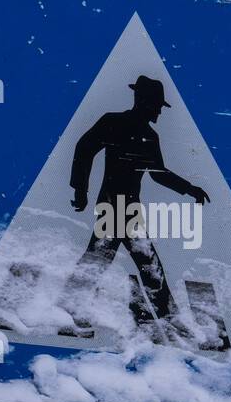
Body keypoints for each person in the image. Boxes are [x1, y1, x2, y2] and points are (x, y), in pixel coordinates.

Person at [64, 75, 209, 332]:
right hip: (114, 207)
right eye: (156, 106)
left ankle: (71, 304)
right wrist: (80, 189)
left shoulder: (149, 136)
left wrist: (189, 189)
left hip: (127, 209)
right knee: (132, 262)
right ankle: (71, 307)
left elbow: (157, 172)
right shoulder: (115, 123)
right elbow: (84, 149)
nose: (158, 112)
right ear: (143, 101)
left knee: (118, 261)